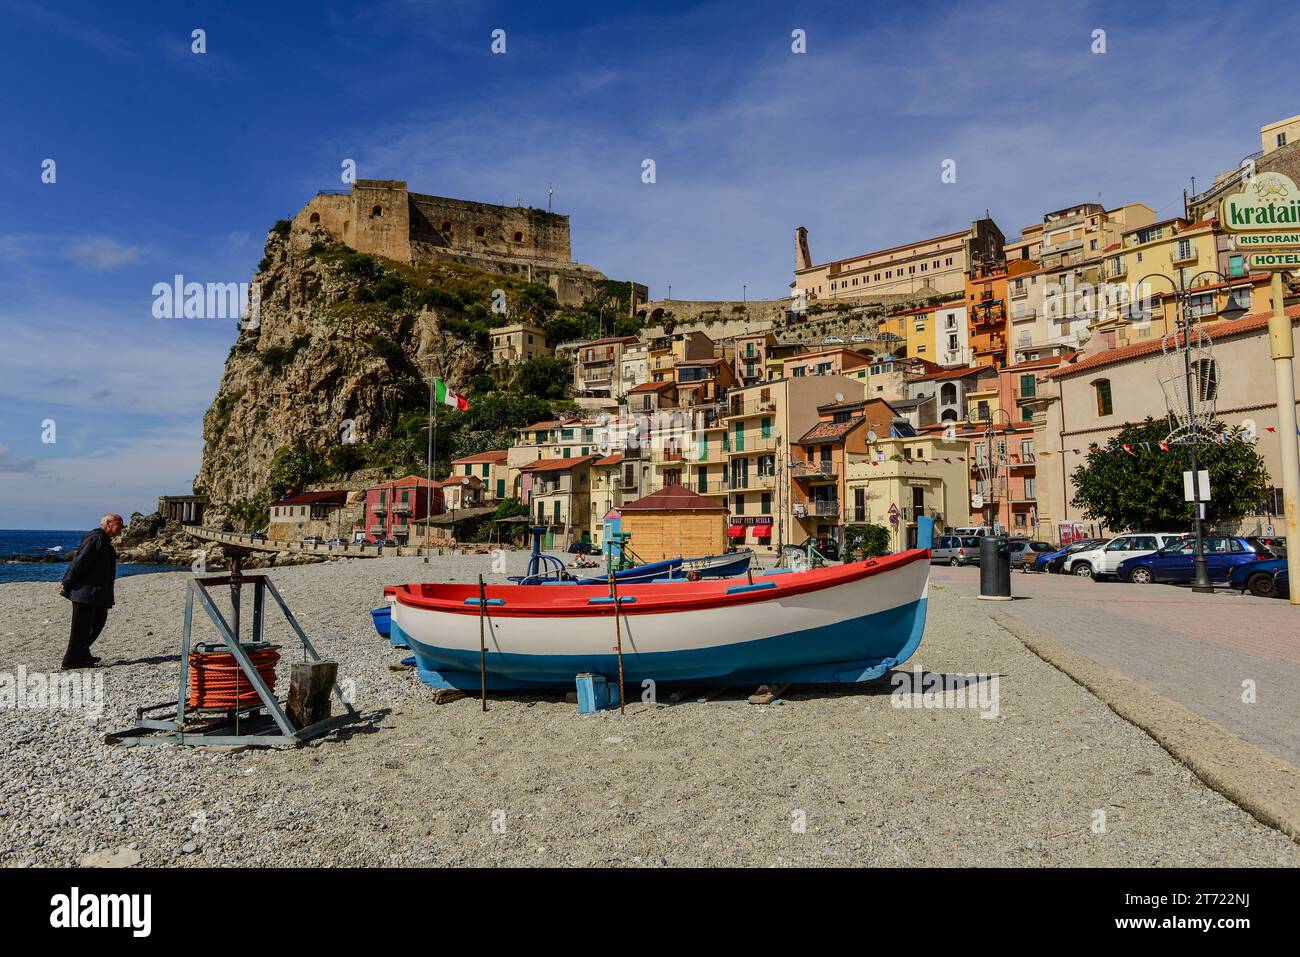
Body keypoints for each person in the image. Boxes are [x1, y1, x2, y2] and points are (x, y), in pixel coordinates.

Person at [59, 513, 124, 670]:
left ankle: (83, 653)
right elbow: (80, 562)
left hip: (95, 593)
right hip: (85, 592)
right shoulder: (96, 538)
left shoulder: (103, 539)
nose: (122, 528)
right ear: (109, 524)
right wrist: (66, 583)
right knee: (81, 628)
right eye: (119, 525)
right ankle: (71, 661)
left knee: (97, 621)